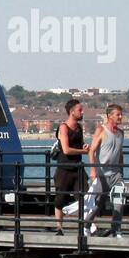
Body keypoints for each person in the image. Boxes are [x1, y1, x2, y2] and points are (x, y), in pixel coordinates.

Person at [87, 103, 126, 237]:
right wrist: (93, 171)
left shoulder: (121, 133)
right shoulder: (101, 130)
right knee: (97, 204)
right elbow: (91, 151)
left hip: (116, 174)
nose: (120, 117)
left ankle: (116, 230)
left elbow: (120, 153)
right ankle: (85, 225)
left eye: (121, 114)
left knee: (119, 202)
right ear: (109, 116)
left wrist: (121, 170)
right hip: (102, 174)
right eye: (118, 114)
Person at [52, 98, 88, 234]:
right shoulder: (63, 127)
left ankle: (88, 227)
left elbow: (80, 144)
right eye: (80, 110)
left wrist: (84, 147)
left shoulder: (79, 127)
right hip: (64, 168)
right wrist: (84, 151)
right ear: (72, 112)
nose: (82, 112)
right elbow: (66, 150)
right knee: (60, 198)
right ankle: (59, 227)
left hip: (78, 167)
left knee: (86, 196)